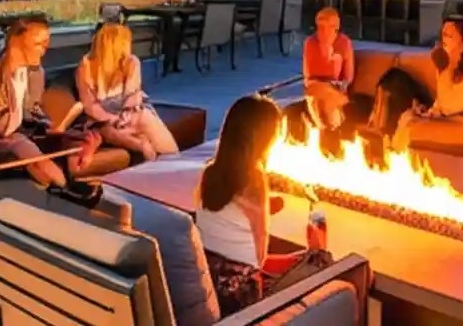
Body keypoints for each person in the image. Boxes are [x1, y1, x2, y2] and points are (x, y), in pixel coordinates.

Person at [196, 96, 330, 315]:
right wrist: (311, 250)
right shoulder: (254, 178)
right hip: (242, 295)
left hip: (210, 281)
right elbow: (261, 258)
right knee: (320, 259)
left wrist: (268, 204)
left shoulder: (208, 173)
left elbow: (235, 210)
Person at [0, 17, 102, 206]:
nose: (45, 47)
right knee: (19, 144)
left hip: (20, 134)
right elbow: (2, 129)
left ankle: (65, 182)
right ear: (17, 40)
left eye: (47, 42)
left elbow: (32, 112)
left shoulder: (35, 73)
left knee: (81, 137)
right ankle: (66, 190)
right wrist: (17, 85)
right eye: (40, 42)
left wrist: (52, 128)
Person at [391, 18, 463, 162]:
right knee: (407, 118)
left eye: (450, 35)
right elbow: (442, 101)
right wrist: (428, 112)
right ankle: (394, 163)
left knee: (412, 128)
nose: (444, 39)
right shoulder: (443, 65)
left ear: (462, 40)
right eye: (443, 35)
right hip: (448, 120)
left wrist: (435, 114)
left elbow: (457, 105)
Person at [75, 22, 179, 162]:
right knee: (140, 144)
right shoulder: (86, 66)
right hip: (102, 122)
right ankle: (149, 167)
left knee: (145, 118)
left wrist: (125, 118)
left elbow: (133, 95)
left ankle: (176, 162)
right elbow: (90, 106)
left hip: (129, 114)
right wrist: (113, 120)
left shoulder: (131, 62)